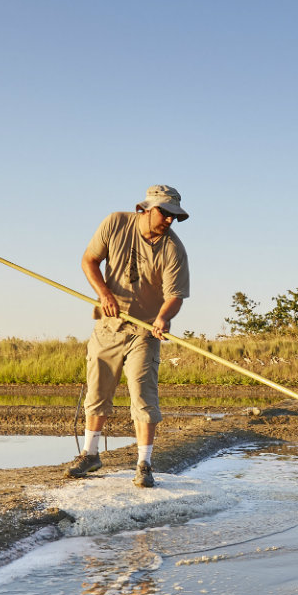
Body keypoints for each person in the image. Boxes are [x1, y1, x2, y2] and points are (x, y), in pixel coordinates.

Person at [66, 185, 190, 488]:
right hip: (108, 326)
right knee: (97, 392)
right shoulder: (115, 223)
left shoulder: (173, 249)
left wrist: (163, 318)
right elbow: (89, 260)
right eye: (165, 213)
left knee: (144, 396)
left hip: (145, 332)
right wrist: (104, 294)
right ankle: (90, 455)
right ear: (145, 209)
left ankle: (144, 464)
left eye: (175, 216)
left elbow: (175, 296)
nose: (170, 220)